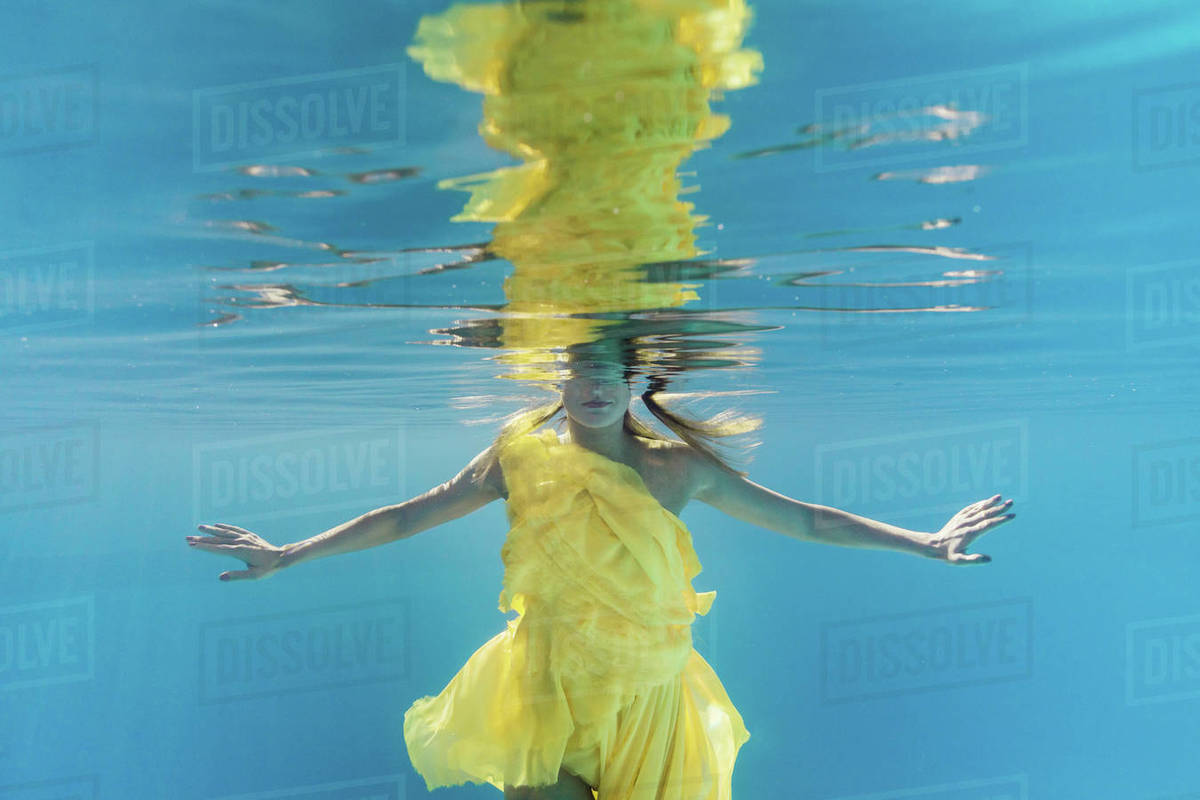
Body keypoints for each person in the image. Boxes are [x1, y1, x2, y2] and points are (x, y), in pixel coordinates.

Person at [186, 357, 1015, 800]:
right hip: (539, 689)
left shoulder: (677, 468)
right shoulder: (517, 456)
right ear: (556, 375)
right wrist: (289, 553)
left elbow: (805, 519)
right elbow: (411, 514)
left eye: (607, 367)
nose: (589, 381)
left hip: (654, 704)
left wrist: (924, 542)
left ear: (634, 380)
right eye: (576, 365)